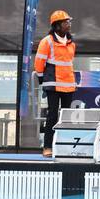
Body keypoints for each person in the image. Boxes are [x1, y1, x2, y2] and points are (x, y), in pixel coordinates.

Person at [34, 10, 77, 158]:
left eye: (69, 22)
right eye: (66, 22)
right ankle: (47, 147)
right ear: (57, 26)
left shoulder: (72, 43)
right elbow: (39, 61)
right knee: (52, 116)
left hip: (68, 85)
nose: (68, 24)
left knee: (66, 117)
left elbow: (69, 64)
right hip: (53, 84)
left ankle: (64, 147)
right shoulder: (47, 41)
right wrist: (41, 78)